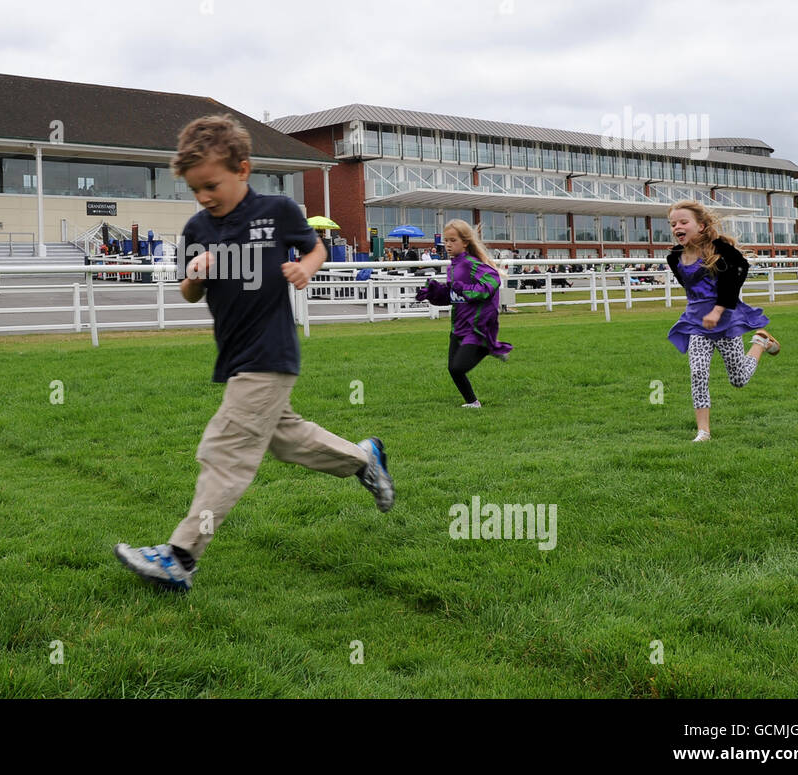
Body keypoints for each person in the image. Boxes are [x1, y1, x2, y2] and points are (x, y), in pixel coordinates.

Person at [114, 115, 394, 592]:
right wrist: (196, 273)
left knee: (224, 453)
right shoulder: (197, 227)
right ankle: (362, 458)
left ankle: (180, 557)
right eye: (194, 188)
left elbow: (316, 249)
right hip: (235, 356)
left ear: (242, 169)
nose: (203, 196)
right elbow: (187, 293)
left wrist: (305, 268)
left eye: (210, 185)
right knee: (286, 440)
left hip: (271, 352)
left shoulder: (279, 210)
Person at [665, 201, 779, 443]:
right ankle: (703, 432)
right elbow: (690, 288)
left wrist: (717, 310)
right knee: (698, 373)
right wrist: (699, 311)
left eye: (684, 222)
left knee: (738, 380)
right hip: (697, 326)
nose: (677, 227)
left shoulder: (720, 250)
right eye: (673, 223)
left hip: (725, 323)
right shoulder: (674, 257)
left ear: (702, 226)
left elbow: (737, 273)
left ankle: (759, 343)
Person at [417, 219, 512, 409]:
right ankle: (473, 402)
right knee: (453, 369)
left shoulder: (471, 264)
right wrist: (435, 293)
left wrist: (465, 288)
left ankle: (488, 347)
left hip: (474, 327)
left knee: (458, 367)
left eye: (453, 240)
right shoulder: (453, 266)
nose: (448, 245)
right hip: (458, 325)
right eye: (446, 241)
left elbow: (492, 282)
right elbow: (455, 295)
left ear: (465, 242)